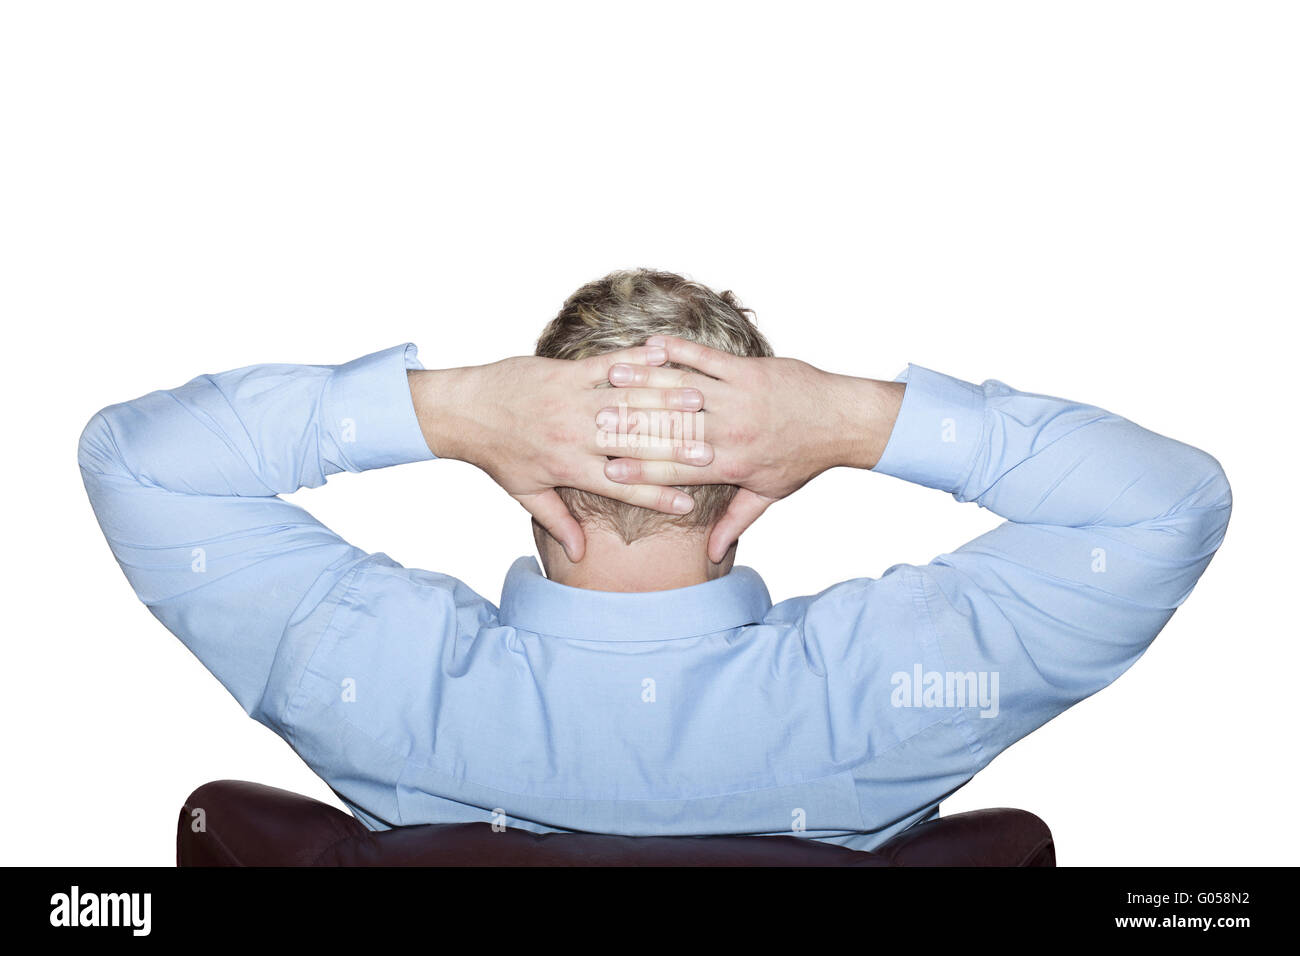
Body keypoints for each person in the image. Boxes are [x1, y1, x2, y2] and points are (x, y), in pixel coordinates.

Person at [79, 269, 1232, 850]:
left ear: (524, 461)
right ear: (754, 480)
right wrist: (850, 418)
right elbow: (1166, 507)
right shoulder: (893, 692)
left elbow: (138, 461)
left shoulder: (366, 671)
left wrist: (444, 407)